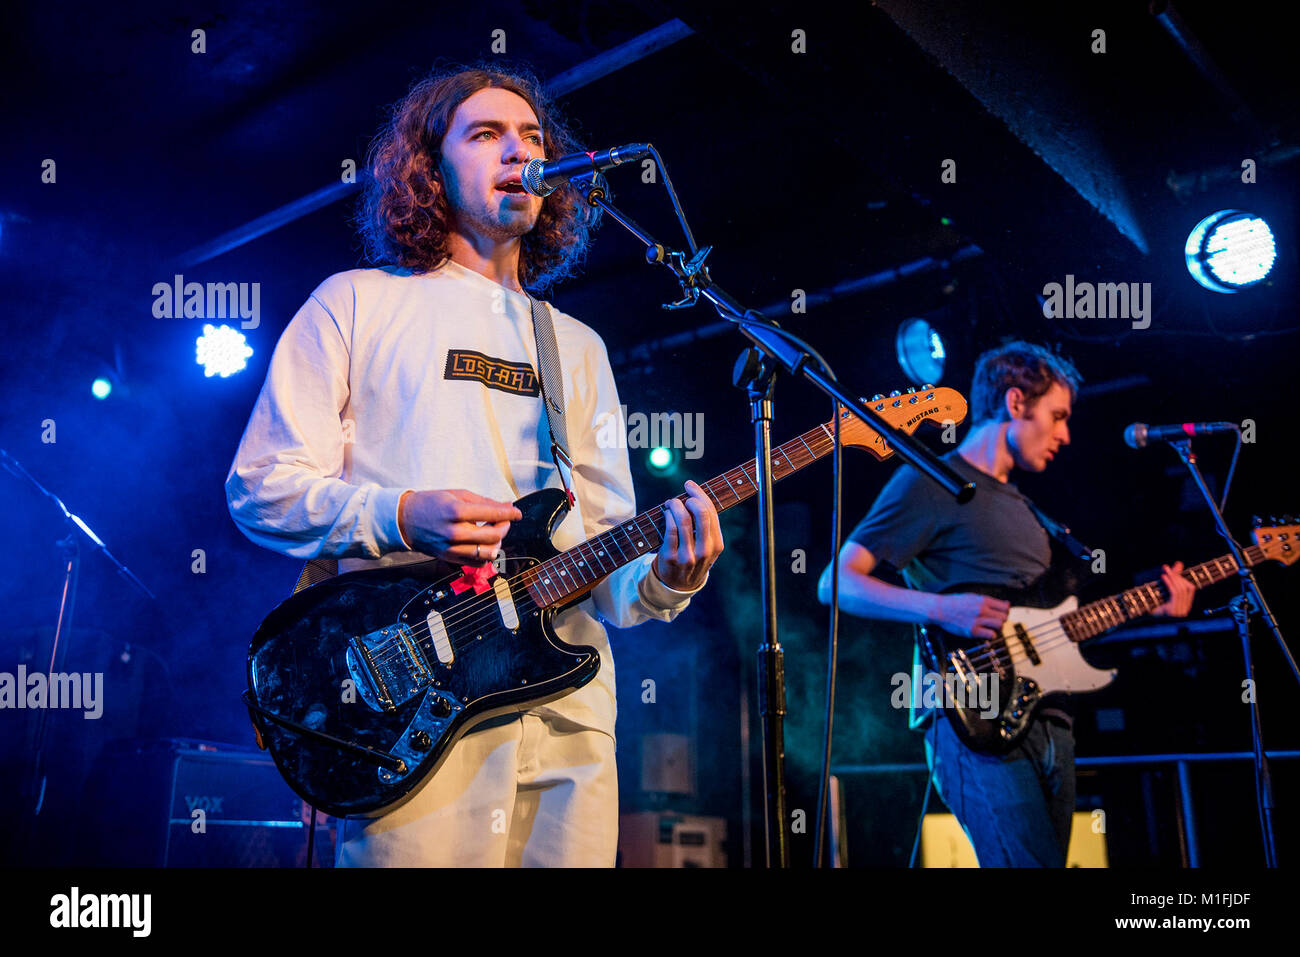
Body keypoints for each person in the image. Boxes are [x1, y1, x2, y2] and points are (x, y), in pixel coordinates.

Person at [224, 65, 723, 866]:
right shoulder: (356, 302)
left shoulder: (578, 346)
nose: (519, 151)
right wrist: (400, 513)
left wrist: (670, 573)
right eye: (486, 134)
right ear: (431, 165)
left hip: (570, 716)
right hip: (415, 703)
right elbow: (261, 488)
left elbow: (604, 559)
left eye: (532, 137)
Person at [817, 341, 1194, 866]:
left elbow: (1054, 624)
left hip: (1053, 721)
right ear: (1016, 403)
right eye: (1057, 416)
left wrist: (1149, 604)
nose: (1065, 434)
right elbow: (837, 583)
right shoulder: (931, 482)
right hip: (975, 712)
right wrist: (940, 609)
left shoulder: (1030, 511)